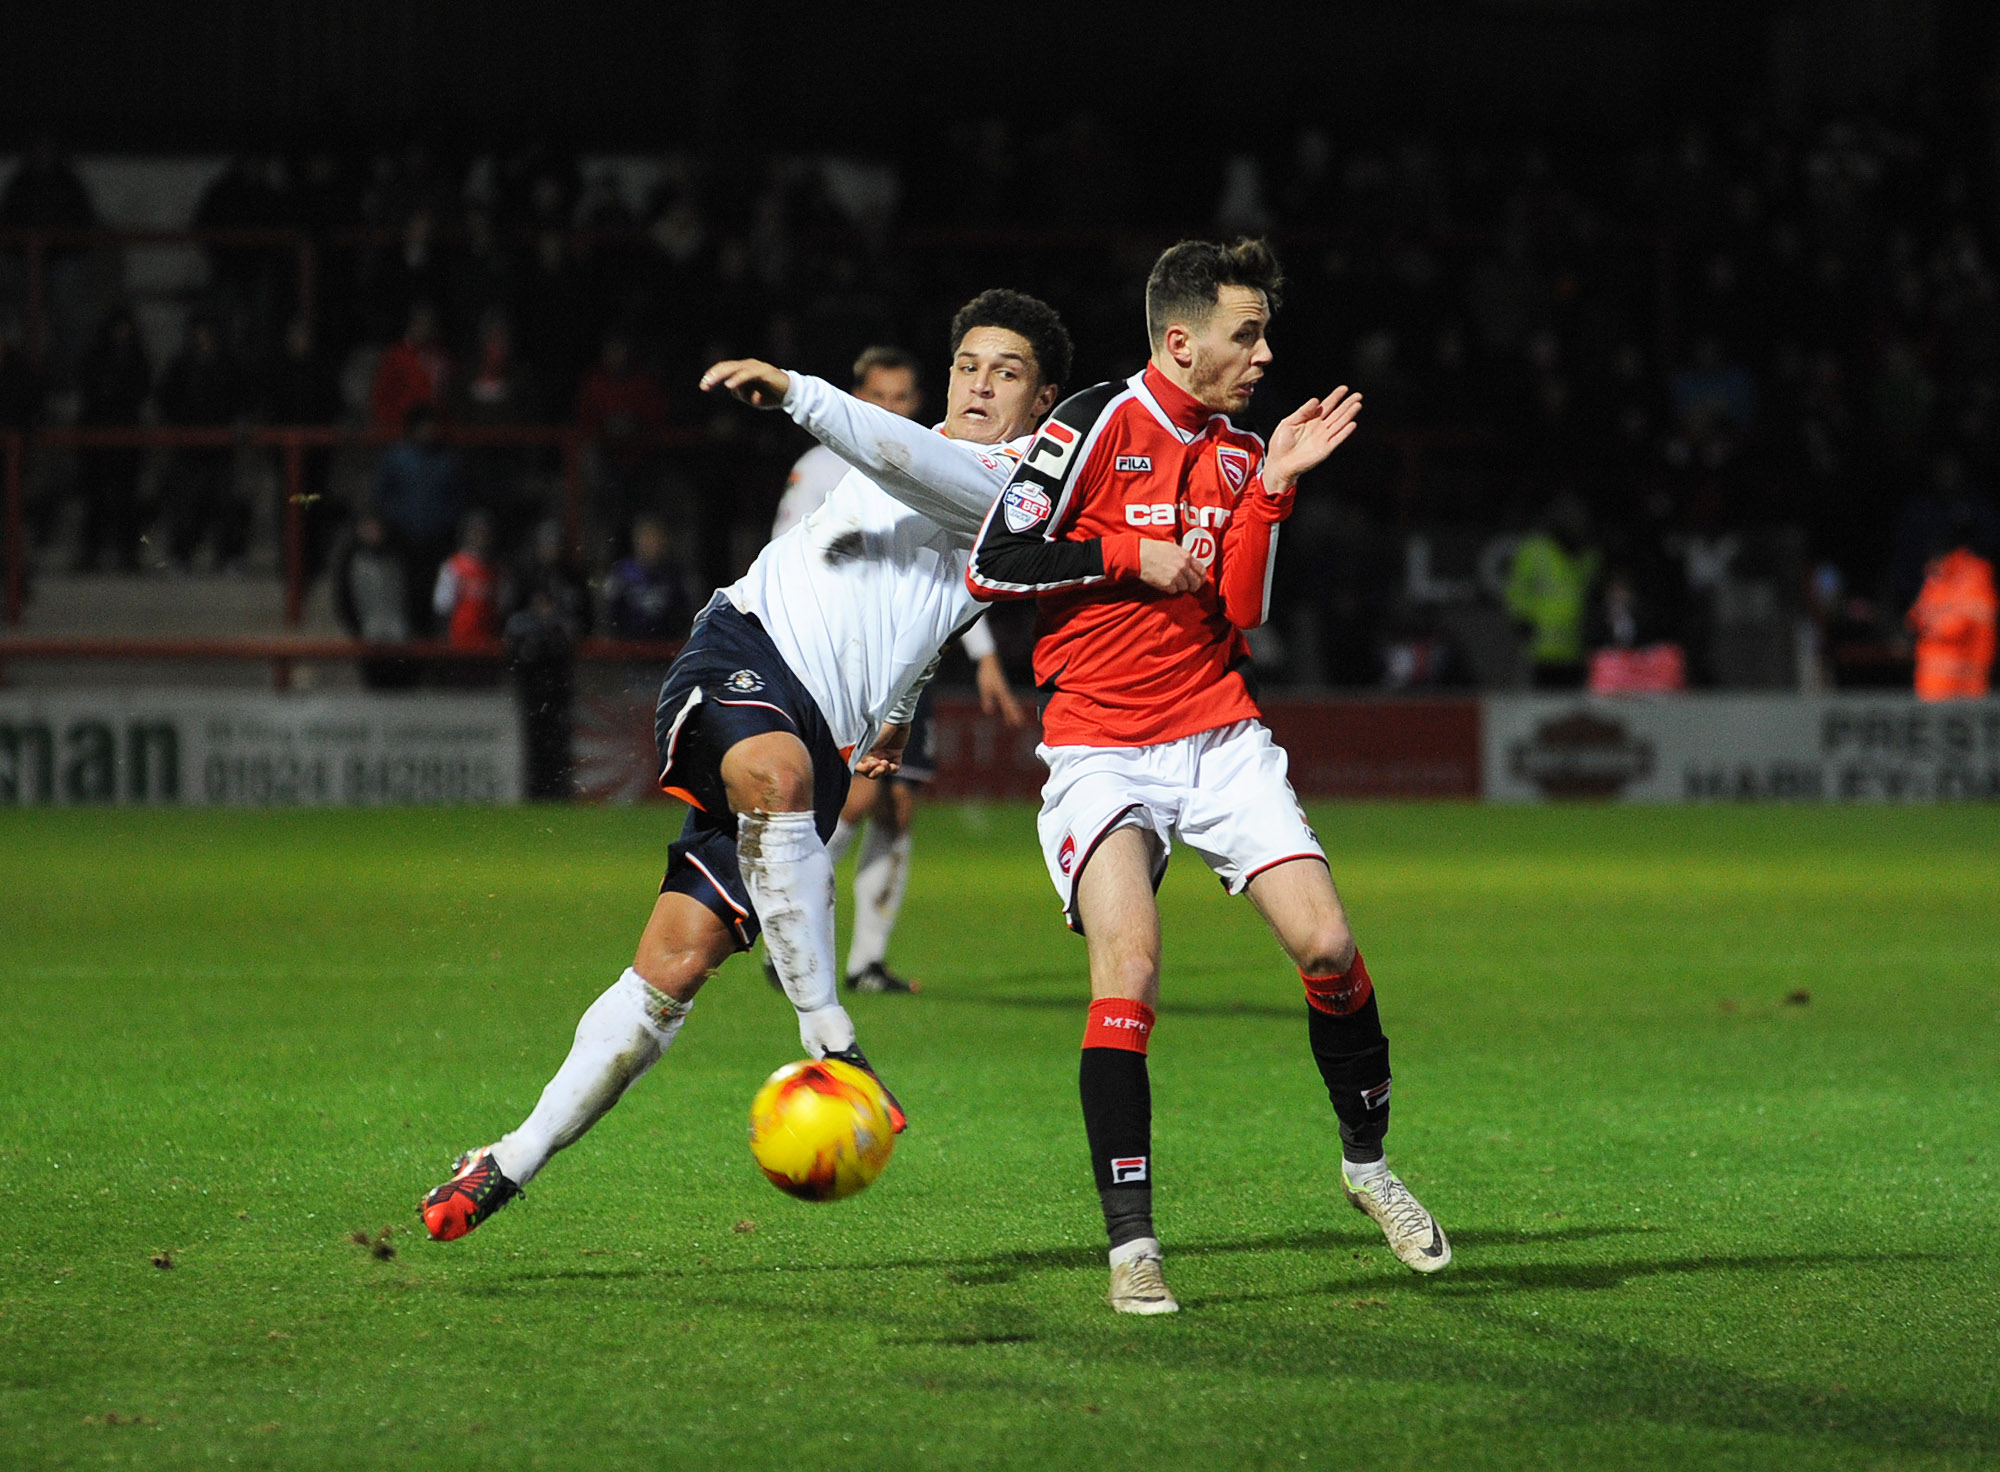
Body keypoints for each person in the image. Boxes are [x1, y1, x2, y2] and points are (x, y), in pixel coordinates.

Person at [418, 289, 1070, 1243]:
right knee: (777, 783)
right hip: (745, 654)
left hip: (827, 732)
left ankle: (508, 1159)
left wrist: (889, 715)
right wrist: (803, 394)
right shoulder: (904, 445)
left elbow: (936, 609)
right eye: (967, 364)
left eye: (1004, 373)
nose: (977, 384)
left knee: (671, 969)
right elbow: (893, 473)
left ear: (1044, 401)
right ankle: (832, 1038)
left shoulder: (1017, 498)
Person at [966, 238, 1445, 1314]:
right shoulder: (1088, 421)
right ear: (1179, 340)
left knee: (1326, 943)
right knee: (1127, 969)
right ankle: (1132, 1244)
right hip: (1096, 745)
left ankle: (1367, 1165)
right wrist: (1121, 556)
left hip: (1219, 736)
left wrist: (1270, 485)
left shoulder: (1235, 451)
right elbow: (995, 561)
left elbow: (1245, 609)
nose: (1264, 352)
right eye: (1245, 333)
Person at [767, 344, 1028, 994]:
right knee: (858, 794)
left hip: (914, 652)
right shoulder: (822, 465)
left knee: (899, 804)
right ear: (856, 397)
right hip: (845, 652)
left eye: (901, 397)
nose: (891, 409)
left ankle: (866, 962)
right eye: (878, 398)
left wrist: (984, 653)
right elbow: (790, 553)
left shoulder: (933, 465)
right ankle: (787, 937)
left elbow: (957, 564)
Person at [507, 520, 593, 799]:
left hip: (559, 667)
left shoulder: (570, 577)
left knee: (559, 731)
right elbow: (509, 622)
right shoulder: (527, 576)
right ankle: (536, 787)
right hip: (532, 668)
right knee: (535, 732)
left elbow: (584, 618)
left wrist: (557, 623)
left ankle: (559, 787)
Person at [371, 403, 465, 632]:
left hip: (437, 539)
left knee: (436, 595)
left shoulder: (447, 459)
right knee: (407, 593)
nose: (428, 431)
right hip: (404, 538)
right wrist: (393, 521)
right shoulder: (396, 457)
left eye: (431, 426)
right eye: (423, 426)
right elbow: (382, 494)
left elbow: (457, 496)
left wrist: (445, 522)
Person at [1906, 519, 1996, 700]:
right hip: (1932, 680)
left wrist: (1936, 620)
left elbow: (1958, 625)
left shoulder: (1976, 573)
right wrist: (1938, 617)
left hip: (1967, 680)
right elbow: (1915, 617)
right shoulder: (1936, 575)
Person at [603, 514, 697, 641]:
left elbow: (686, 611)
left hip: (667, 648)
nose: (651, 544)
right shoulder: (621, 574)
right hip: (628, 649)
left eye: (655, 538)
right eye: (646, 538)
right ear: (636, 540)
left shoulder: (674, 575)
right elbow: (610, 613)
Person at [370, 301, 450, 435]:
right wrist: (392, 429)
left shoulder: (442, 356)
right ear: (411, 323)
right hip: (403, 434)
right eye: (420, 322)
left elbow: (447, 396)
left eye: (429, 323)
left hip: (436, 435)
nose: (425, 328)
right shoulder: (396, 355)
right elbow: (382, 396)